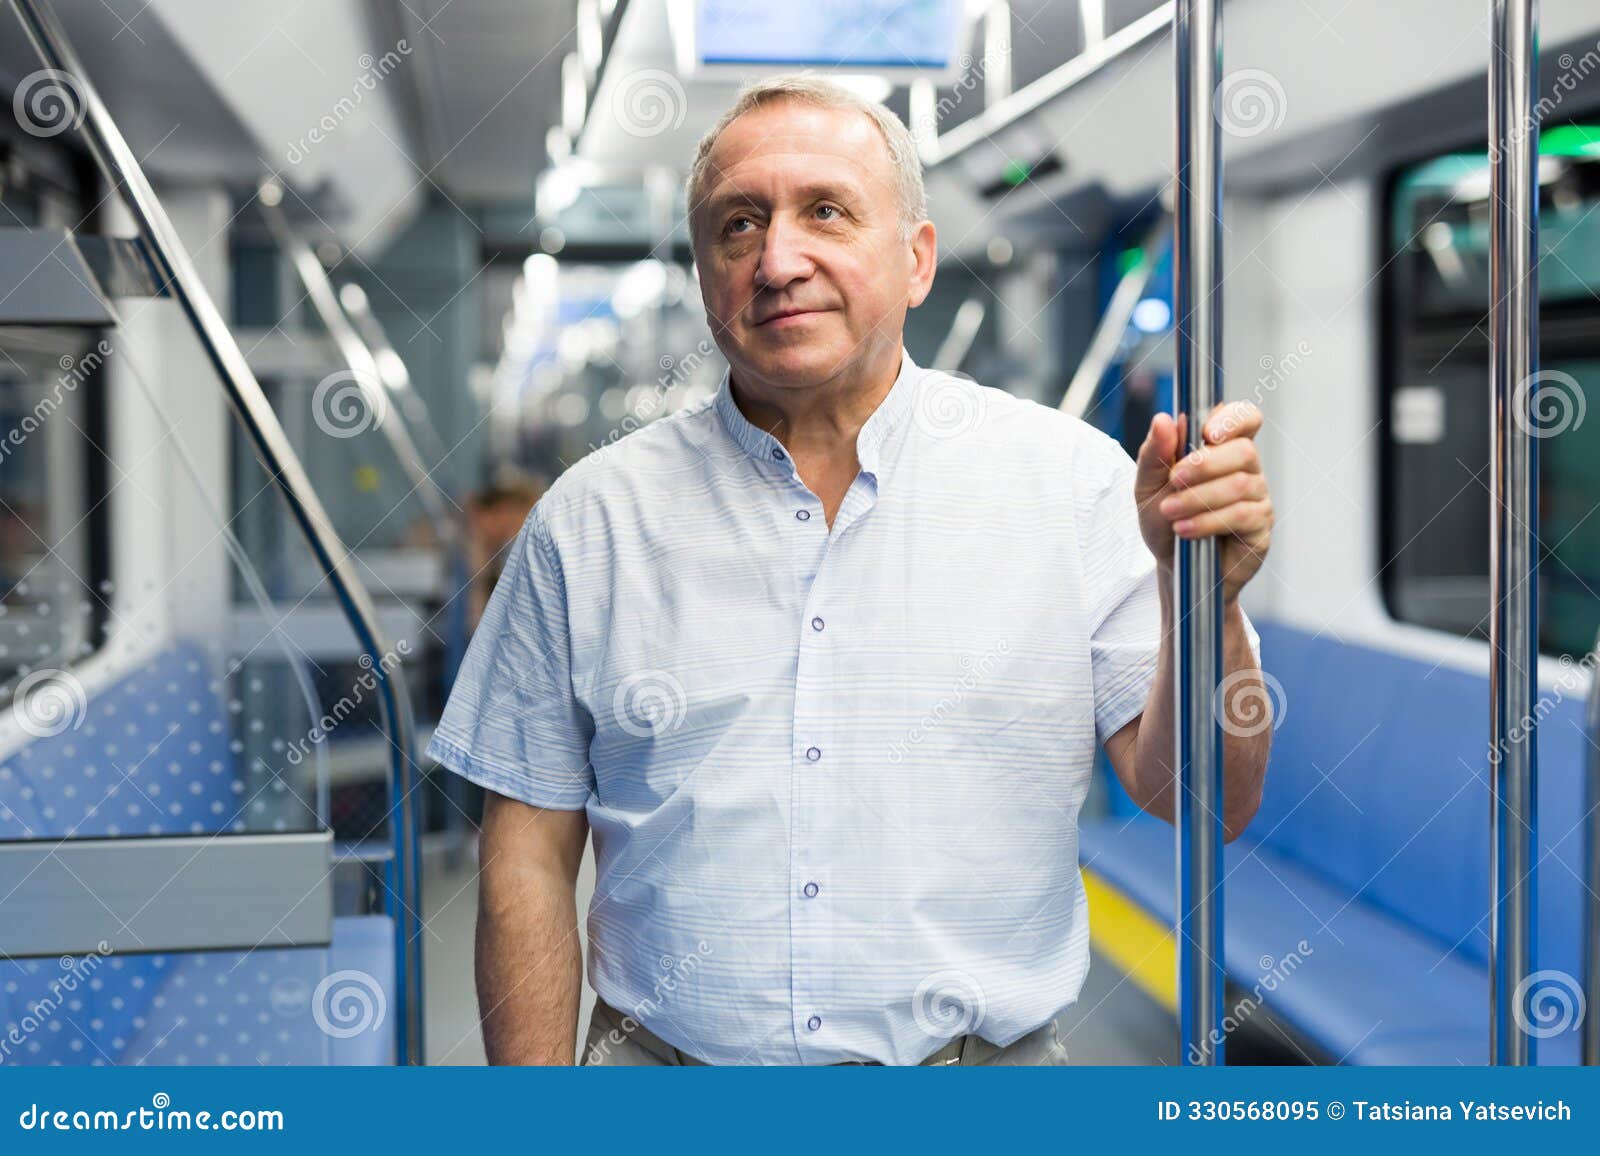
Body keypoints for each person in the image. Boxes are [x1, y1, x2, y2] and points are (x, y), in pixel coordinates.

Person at [428, 75, 1274, 1066]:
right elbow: (526, 853)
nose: (777, 259)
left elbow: (1207, 801)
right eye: (738, 225)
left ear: (916, 261)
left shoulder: (1071, 486)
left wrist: (1202, 605)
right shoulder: (591, 520)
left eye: (825, 211)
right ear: (703, 272)